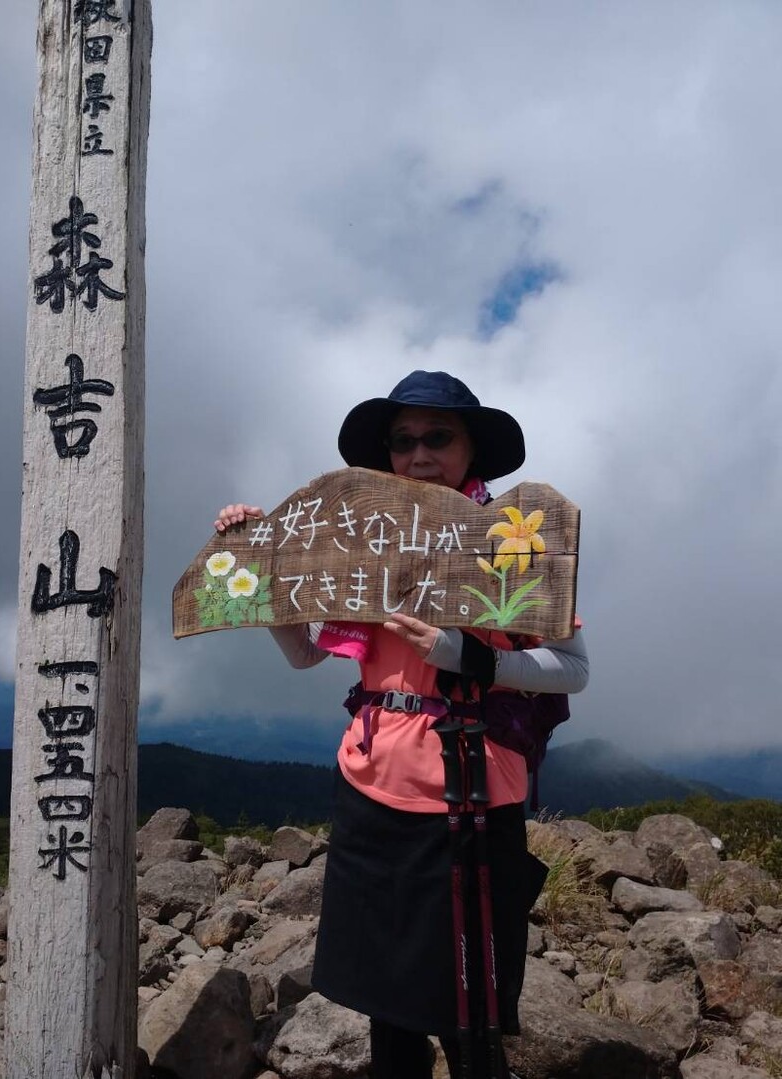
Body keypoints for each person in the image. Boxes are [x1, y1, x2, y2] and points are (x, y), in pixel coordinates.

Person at [213, 370, 589, 1079]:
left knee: (467, 1015)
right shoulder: (362, 544)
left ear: (470, 448)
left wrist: (465, 657)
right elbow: (300, 653)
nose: (419, 453)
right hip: (369, 791)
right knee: (385, 1005)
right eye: (403, 440)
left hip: (469, 797)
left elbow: (571, 666)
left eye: (437, 437)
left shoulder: (516, 540)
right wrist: (258, 562)